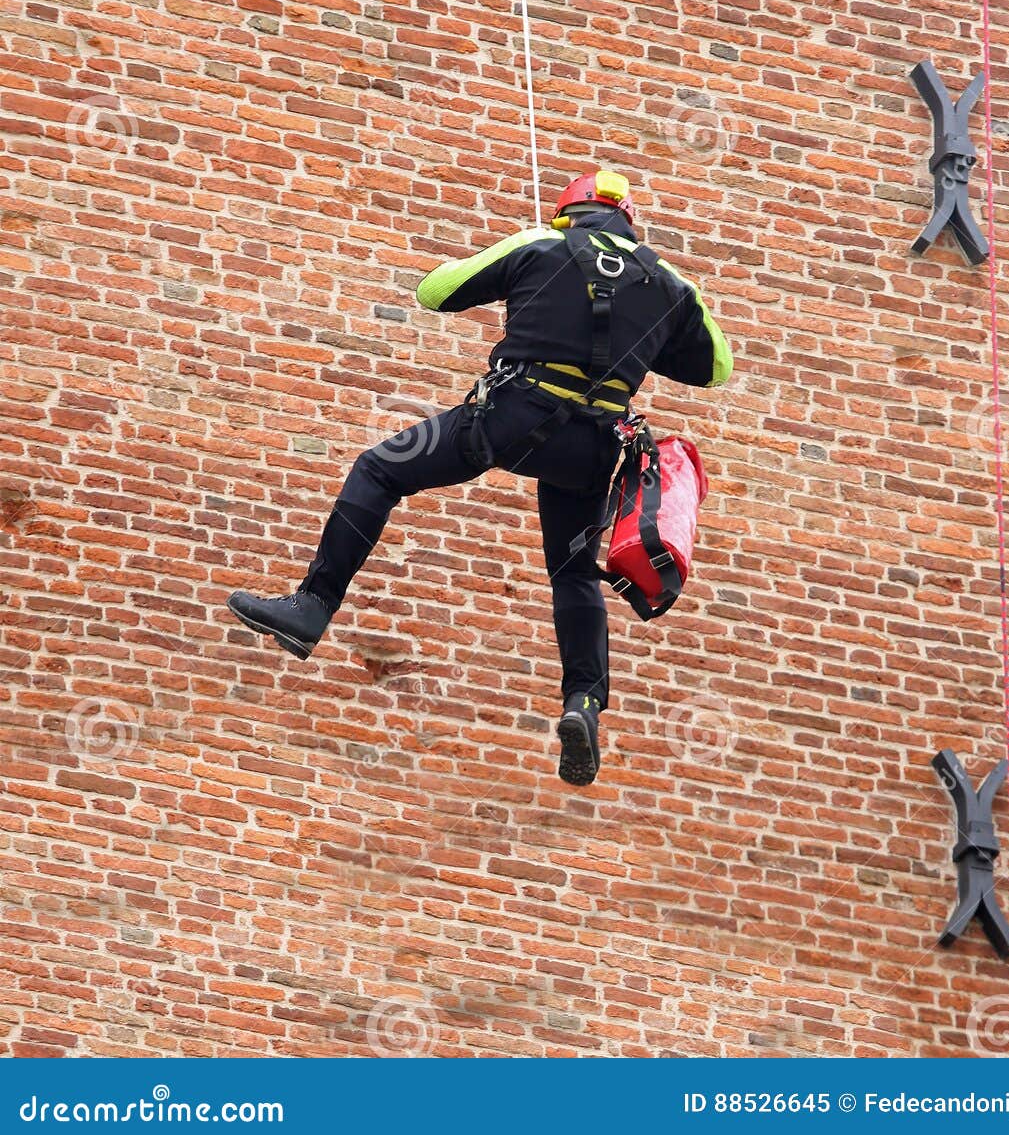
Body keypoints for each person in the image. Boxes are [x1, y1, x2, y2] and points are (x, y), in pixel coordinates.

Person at [226, 171, 733, 786]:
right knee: (572, 573)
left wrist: (532, 261)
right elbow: (714, 369)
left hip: (508, 420)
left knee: (380, 469)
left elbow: (434, 292)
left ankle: (312, 607)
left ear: (568, 213)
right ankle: (583, 705)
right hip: (590, 448)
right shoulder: (671, 284)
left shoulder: (540, 245)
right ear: (629, 221)